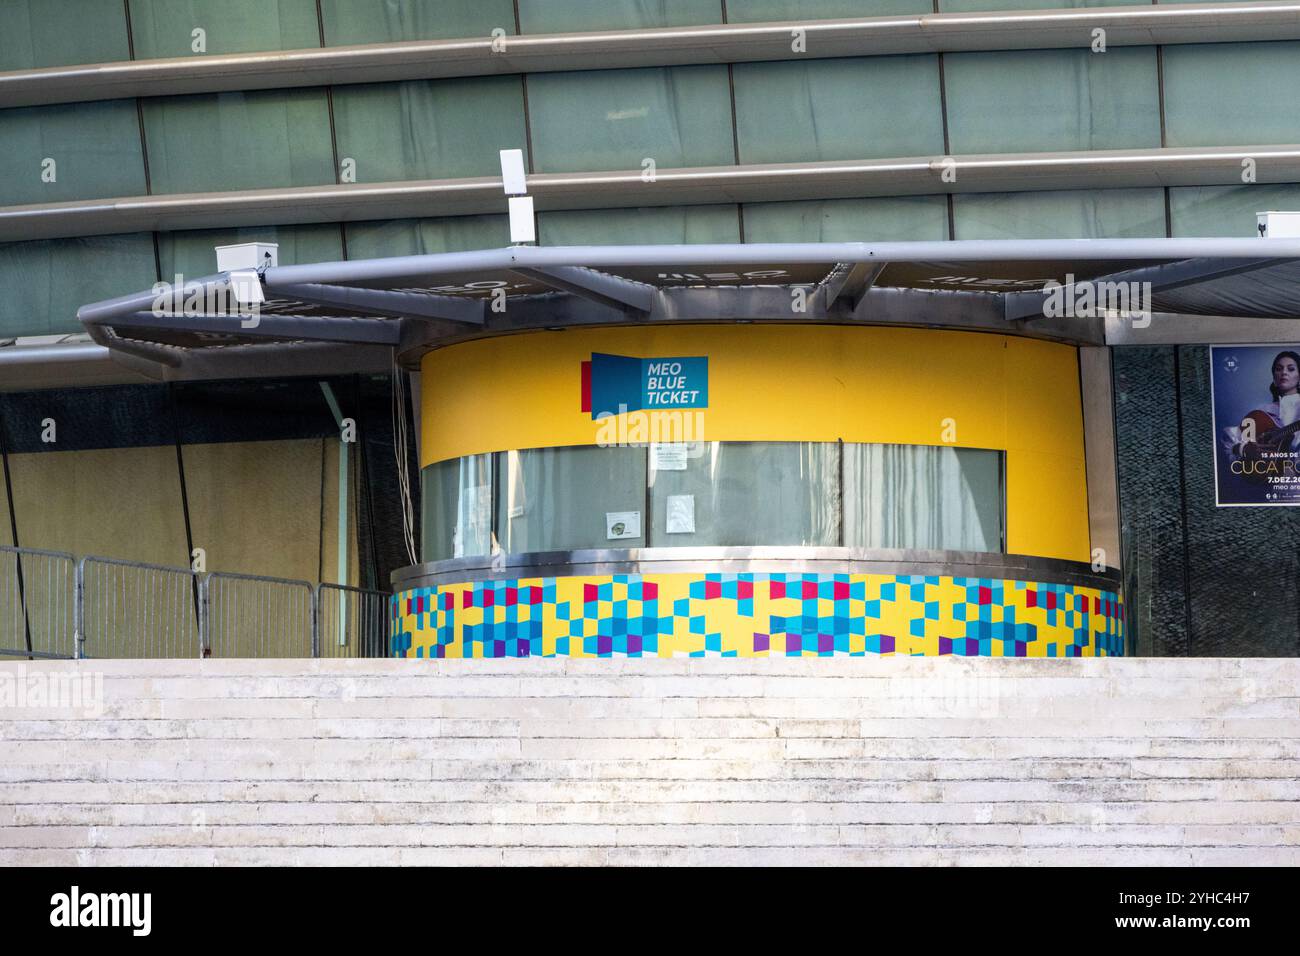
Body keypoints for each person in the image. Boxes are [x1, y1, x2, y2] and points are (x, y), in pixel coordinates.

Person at [1222, 350, 1300, 461]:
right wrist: (1243, 449)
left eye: (1291, 369)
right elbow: (1230, 439)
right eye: (1279, 369)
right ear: (1274, 378)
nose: (1284, 372)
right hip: (1265, 475)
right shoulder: (1262, 412)